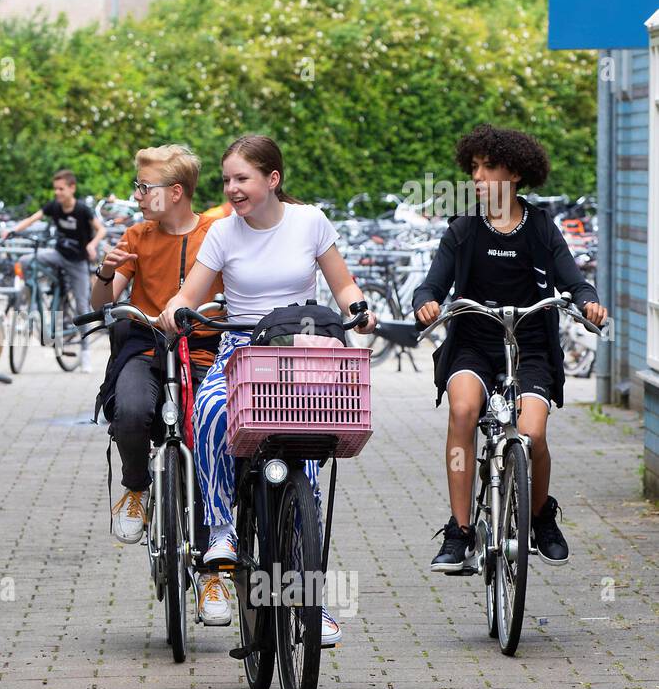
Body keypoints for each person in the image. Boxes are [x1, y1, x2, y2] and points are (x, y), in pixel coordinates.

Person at [158, 135, 377, 643]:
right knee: (210, 409)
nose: (232, 189)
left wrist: (359, 311)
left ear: (272, 179)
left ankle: (311, 603)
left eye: (242, 179)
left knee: (308, 472)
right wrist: (175, 311)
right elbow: (187, 296)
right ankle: (221, 533)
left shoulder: (310, 222)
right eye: (227, 179)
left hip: (304, 349)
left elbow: (343, 286)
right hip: (241, 348)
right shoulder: (222, 235)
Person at [412, 125, 608, 572]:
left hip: (531, 347)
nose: (478, 177)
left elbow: (574, 281)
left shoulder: (541, 228)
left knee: (533, 433)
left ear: (516, 174)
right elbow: (432, 283)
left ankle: (540, 515)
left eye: (489, 167)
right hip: (473, 346)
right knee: (462, 410)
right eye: (474, 168)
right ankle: (460, 530)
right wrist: (426, 303)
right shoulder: (462, 230)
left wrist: (587, 302)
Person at [90, 144, 233, 625]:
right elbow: (102, 300)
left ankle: (214, 573)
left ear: (175, 192)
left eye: (143, 186)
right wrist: (107, 271)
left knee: (209, 443)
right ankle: (135, 487)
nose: (136, 194)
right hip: (147, 348)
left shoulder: (218, 234)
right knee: (129, 411)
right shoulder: (137, 235)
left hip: (205, 352)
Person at [3, 169, 105, 371]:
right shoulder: (54, 207)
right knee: (25, 261)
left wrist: (92, 245)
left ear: (72, 188)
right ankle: (32, 297)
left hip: (77, 262)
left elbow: (101, 229)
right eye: (55, 189)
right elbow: (33, 218)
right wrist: (13, 230)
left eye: (61, 189)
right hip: (58, 256)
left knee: (83, 306)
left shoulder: (82, 210)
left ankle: (85, 354)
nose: (57, 193)